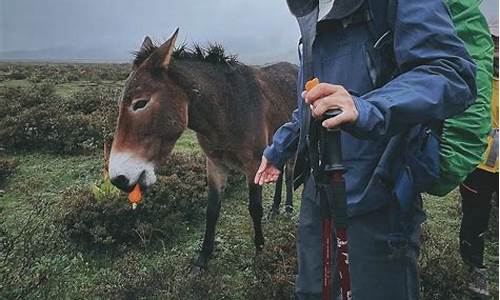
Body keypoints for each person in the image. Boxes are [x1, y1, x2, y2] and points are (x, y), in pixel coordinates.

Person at [254, 0, 476, 299]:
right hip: (320, 191)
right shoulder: (311, 11)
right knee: (310, 291)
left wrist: (368, 108)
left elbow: (451, 73)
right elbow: (314, 102)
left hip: (378, 194)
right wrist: (279, 148)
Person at [459, 0, 498, 296]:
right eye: (494, 42)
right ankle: (475, 268)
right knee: (475, 216)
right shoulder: (478, 74)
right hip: (479, 163)